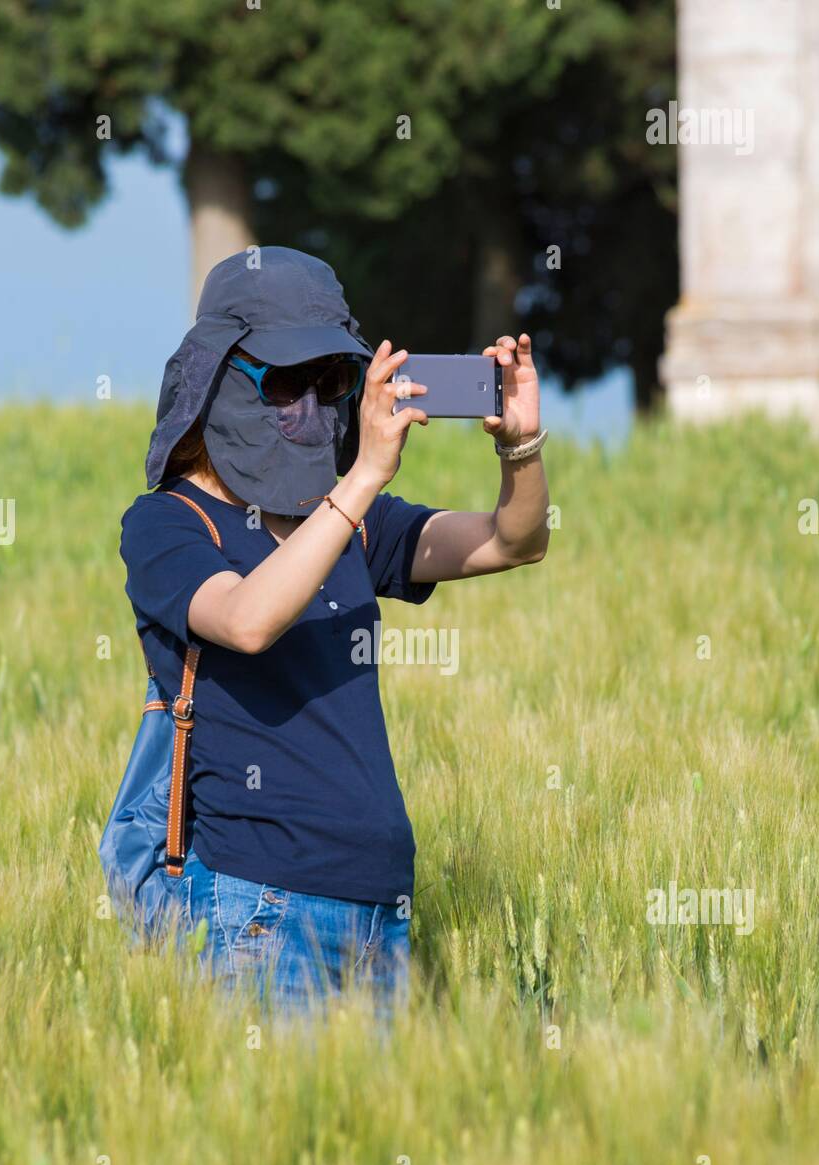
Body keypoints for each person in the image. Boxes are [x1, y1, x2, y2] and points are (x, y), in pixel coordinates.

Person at [120, 247, 548, 1017]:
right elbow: (247, 620)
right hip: (259, 910)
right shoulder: (167, 525)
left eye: (332, 383)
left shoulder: (353, 524)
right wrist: (362, 479)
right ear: (220, 380)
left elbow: (514, 541)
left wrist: (519, 447)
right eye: (285, 385)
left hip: (380, 908)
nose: (310, 408)